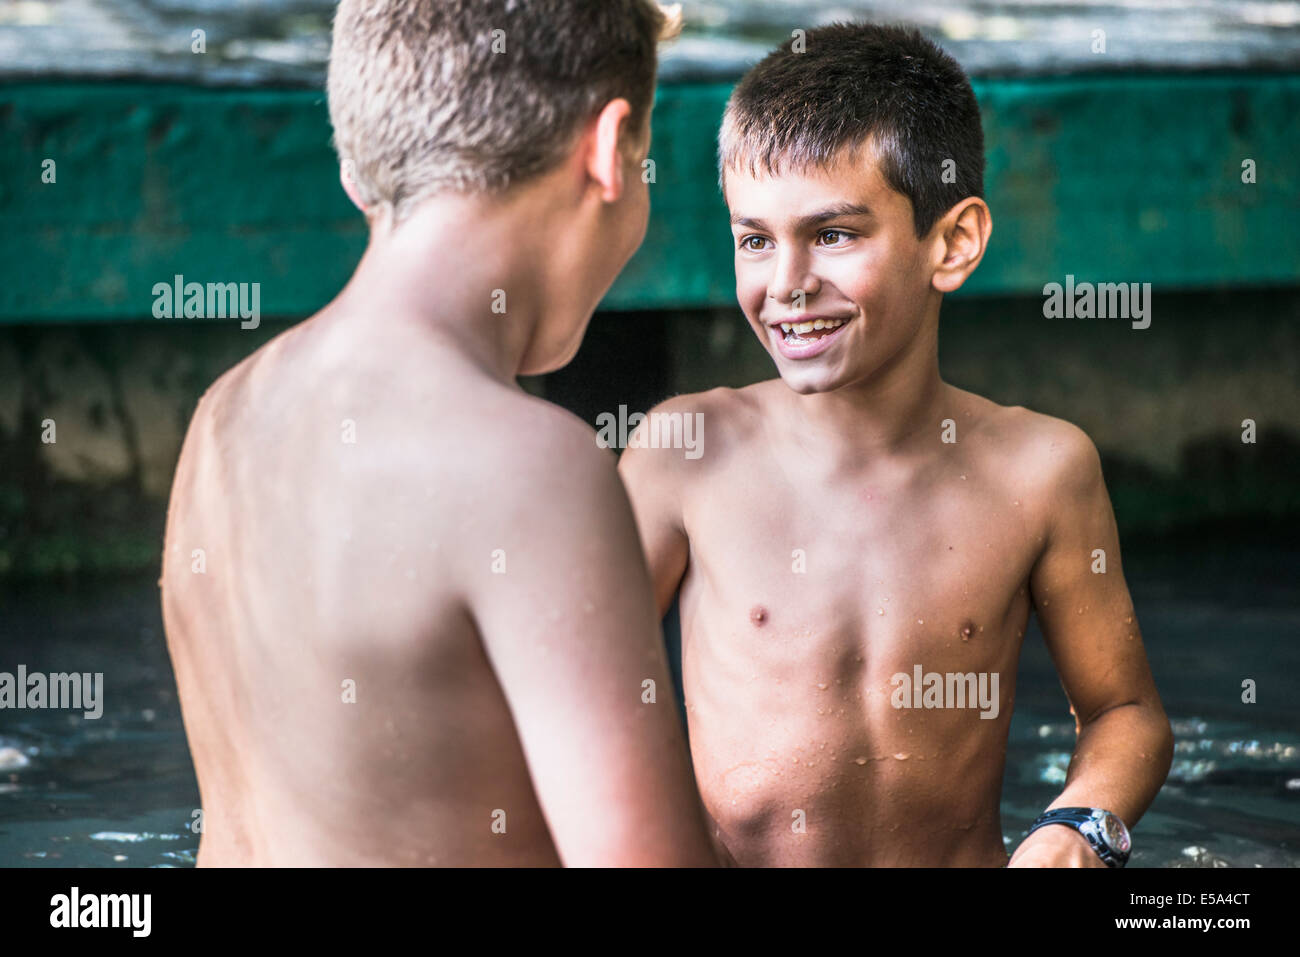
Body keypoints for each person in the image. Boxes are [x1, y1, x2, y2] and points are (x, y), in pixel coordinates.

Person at [161, 0, 719, 867]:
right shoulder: (532, 469)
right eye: (649, 163)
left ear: (358, 169)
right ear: (610, 153)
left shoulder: (222, 422)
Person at [620, 22, 1174, 867]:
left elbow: (1124, 712)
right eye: (755, 239)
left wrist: (1080, 827)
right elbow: (573, 697)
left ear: (951, 243)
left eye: (834, 234)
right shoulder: (683, 454)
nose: (787, 283)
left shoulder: (1043, 469)